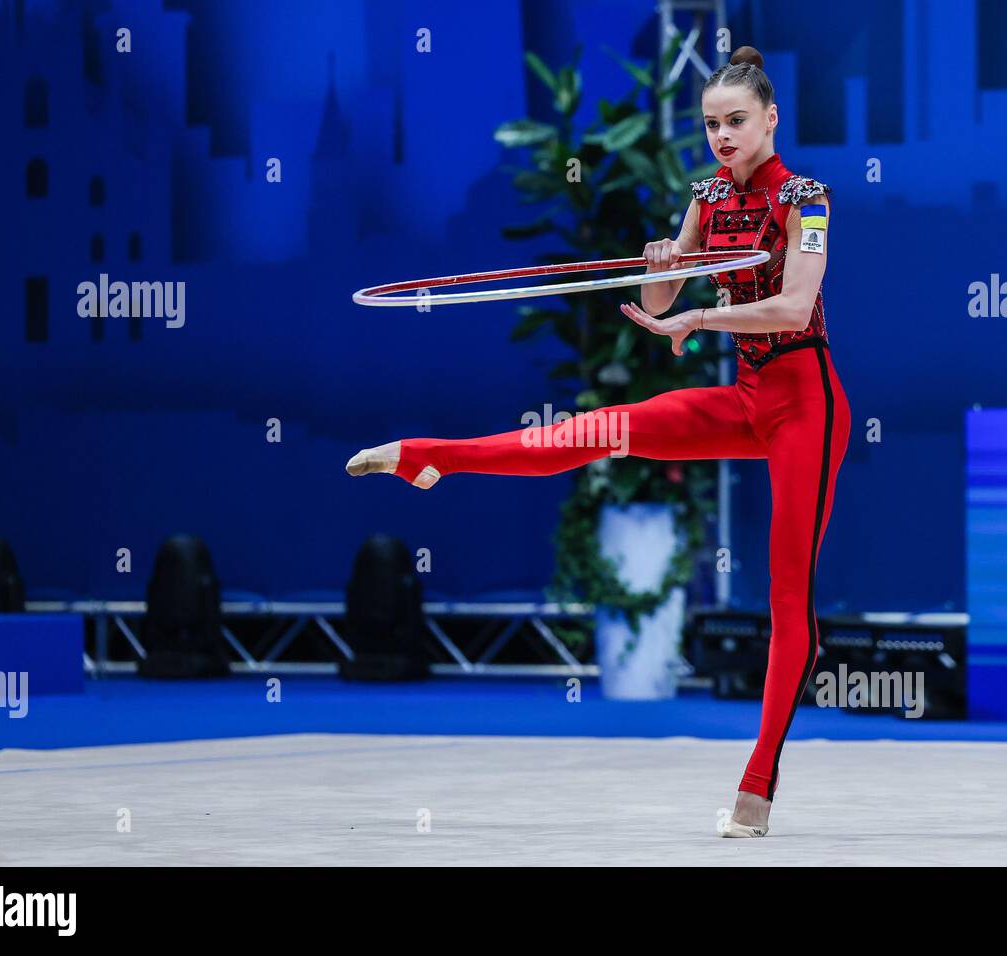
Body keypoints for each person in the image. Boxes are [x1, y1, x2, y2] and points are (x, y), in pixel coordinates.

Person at [347, 45, 850, 838]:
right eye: (712, 123)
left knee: (790, 597)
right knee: (591, 433)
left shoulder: (806, 198)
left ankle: (756, 786)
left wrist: (697, 315)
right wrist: (666, 263)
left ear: (771, 118)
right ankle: (430, 454)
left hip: (804, 406)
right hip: (743, 397)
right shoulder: (708, 197)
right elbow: (657, 301)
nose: (722, 136)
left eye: (737, 121)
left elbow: (793, 309)